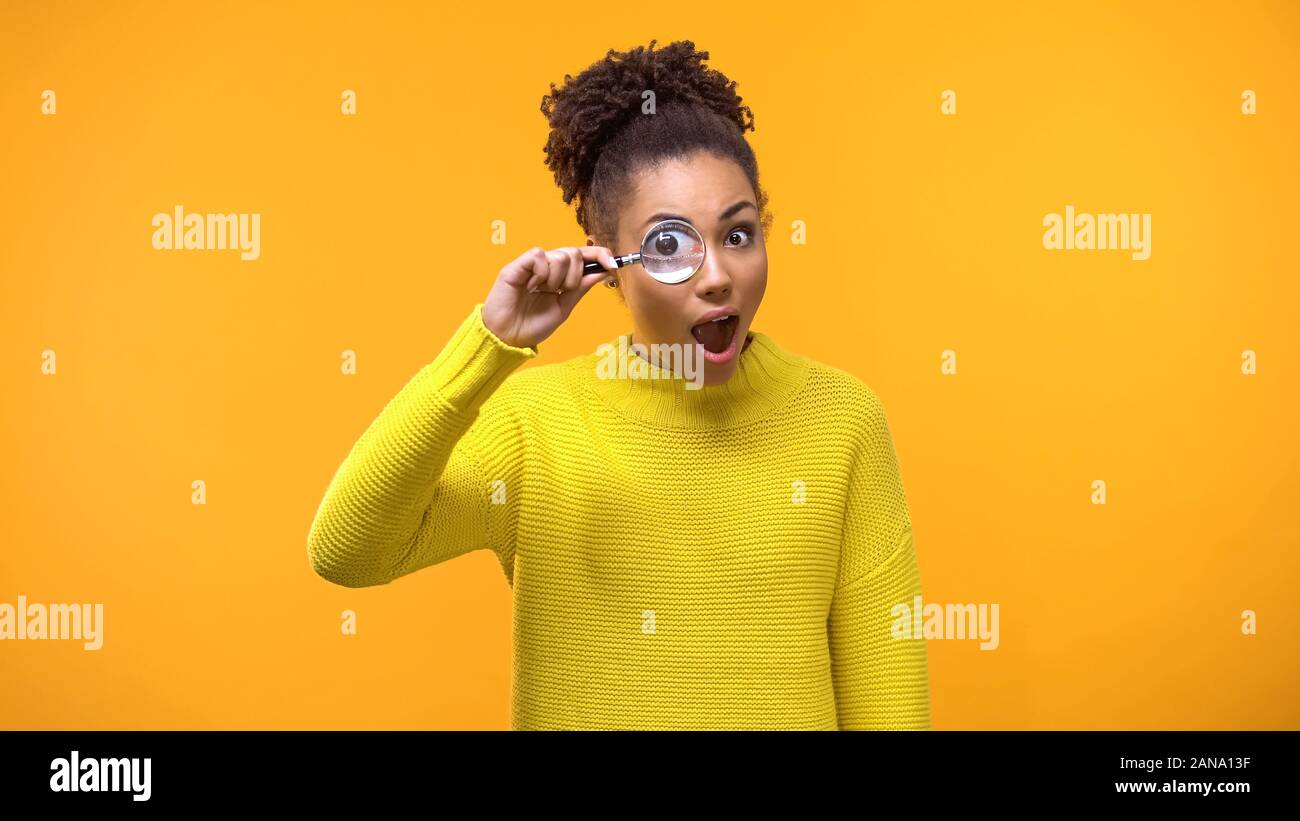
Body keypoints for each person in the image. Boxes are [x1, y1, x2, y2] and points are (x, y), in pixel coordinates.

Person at [307, 39, 930, 730]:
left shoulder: (841, 420)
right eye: (669, 245)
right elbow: (348, 551)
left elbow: (889, 696)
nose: (717, 274)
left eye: (739, 233)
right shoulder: (534, 423)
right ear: (609, 265)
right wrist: (487, 348)